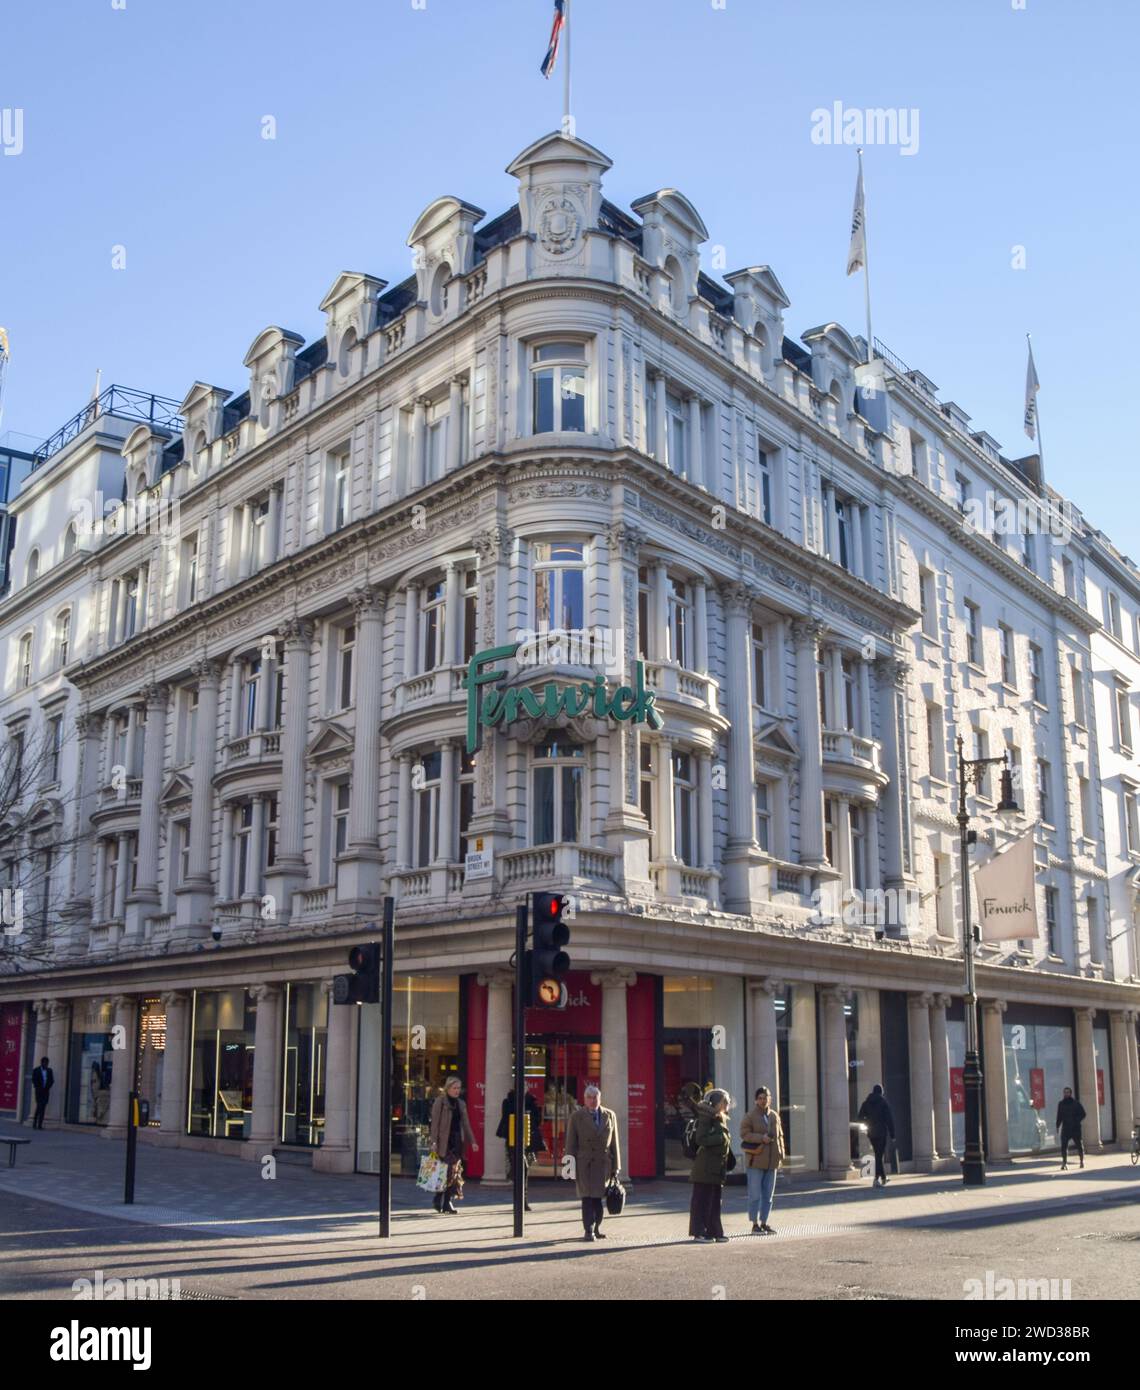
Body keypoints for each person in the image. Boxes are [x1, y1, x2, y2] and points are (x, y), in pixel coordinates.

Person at [564, 1084, 620, 1241]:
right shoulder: (576, 1117)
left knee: (598, 1199)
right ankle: (588, 1230)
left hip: (603, 1164)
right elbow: (570, 1144)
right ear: (585, 1099)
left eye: (595, 1097)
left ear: (599, 1099)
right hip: (585, 1164)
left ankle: (597, 1228)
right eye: (589, 1098)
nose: (592, 1100)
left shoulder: (610, 1115)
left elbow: (615, 1143)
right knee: (587, 1198)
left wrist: (617, 1166)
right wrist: (569, 1167)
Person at [427, 1076, 478, 1213]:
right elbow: (435, 1124)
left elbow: (466, 1124)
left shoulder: (461, 1104)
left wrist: (472, 1141)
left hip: (456, 1141)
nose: (457, 1091)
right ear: (448, 1088)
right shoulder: (440, 1102)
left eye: (459, 1088)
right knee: (444, 1172)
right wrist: (433, 1142)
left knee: (454, 1173)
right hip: (444, 1142)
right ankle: (439, 1198)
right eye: (454, 1088)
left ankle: (446, 1202)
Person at [689, 1088, 733, 1243]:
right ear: (717, 1103)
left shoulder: (720, 1118)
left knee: (715, 1202)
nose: (727, 1104)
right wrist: (720, 1138)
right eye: (725, 1101)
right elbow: (701, 1139)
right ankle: (699, 1232)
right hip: (705, 1168)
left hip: (716, 1168)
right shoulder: (706, 1116)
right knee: (702, 1201)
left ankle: (715, 1231)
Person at [740, 1085, 783, 1234]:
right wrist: (761, 1138)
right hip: (756, 1161)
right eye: (760, 1098)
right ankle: (754, 1224)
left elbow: (780, 1136)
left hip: (772, 1162)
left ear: (770, 1099)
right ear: (755, 1100)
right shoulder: (750, 1116)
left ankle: (764, 1222)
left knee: (768, 1195)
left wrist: (781, 1154)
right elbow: (744, 1134)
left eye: (766, 1098)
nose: (763, 1101)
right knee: (755, 1194)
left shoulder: (774, 1116)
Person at [495, 1088, 546, 1211]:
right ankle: (519, 1200)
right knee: (517, 1169)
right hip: (513, 1140)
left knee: (525, 1169)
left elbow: (537, 1120)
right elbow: (506, 1118)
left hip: (529, 1141)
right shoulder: (508, 1101)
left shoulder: (532, 1101)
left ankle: (524, 1200)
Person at [857, 1084, 896, 1188]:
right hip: (881, 1132)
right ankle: (876, 1179)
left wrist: (868, 1122)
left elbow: (860, 1117)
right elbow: (889, 1119)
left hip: (871, 1133)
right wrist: (893, 1134)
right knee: (879, 1155)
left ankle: (883, 1178)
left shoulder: (866, 1103)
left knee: (878, 1155)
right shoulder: (883, 1102)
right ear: (881, 1092)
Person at [1056, 1087, 1087, 1170]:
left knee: (1079, 1145)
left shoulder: (1076, 1103)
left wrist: (1076, 1121)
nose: (1066, 1094)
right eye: (1065, 1092)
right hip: (1066, 1128)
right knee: (1064, 1146)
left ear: (1070, 1093)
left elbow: (1083, 1114)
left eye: (1067, 1092)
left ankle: (1081, 1160)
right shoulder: (1061, 1104)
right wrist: (1057, 1125)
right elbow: (1059, 1116)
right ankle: (1064, 1162)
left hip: (1075, 1128)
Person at [31, 1056, 53, 1130]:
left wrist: (47, 1086)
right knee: (39, 1106)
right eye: (45, 1063)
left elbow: (52, 1080)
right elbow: (33, 1079)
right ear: (42, 1063)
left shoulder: (49, 1071)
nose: (46, 1064)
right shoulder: (36, 1070)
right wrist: (38, 1087)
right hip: (39, 1091)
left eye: (47, 1063)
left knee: (43, 1108)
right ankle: (34, 1123)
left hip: (45, 1091)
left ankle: (40, 1124)